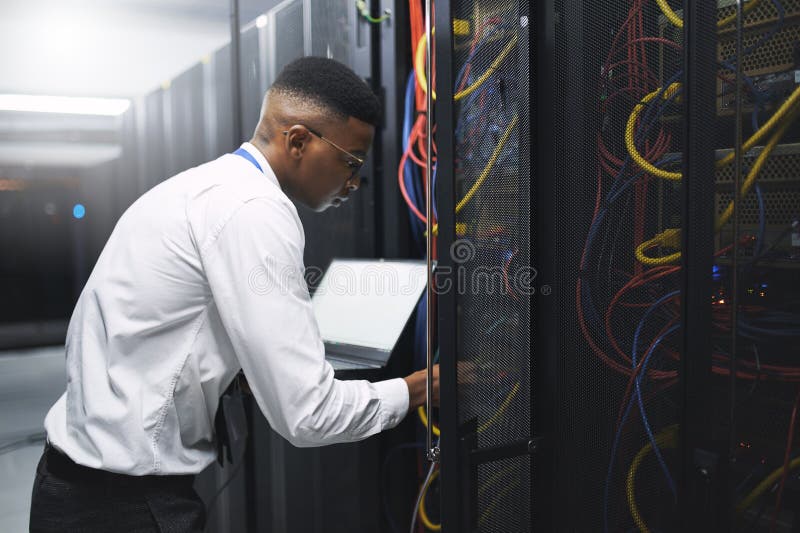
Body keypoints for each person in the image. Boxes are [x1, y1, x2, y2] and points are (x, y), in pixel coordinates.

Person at [29, 56, 440, 533]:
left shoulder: (202, 186)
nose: (353, 182)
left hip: (71, 483)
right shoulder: (255, 209)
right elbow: (309, 414)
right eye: (351, 162)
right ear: (298, 141)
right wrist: (424, 387)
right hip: (122, 508)